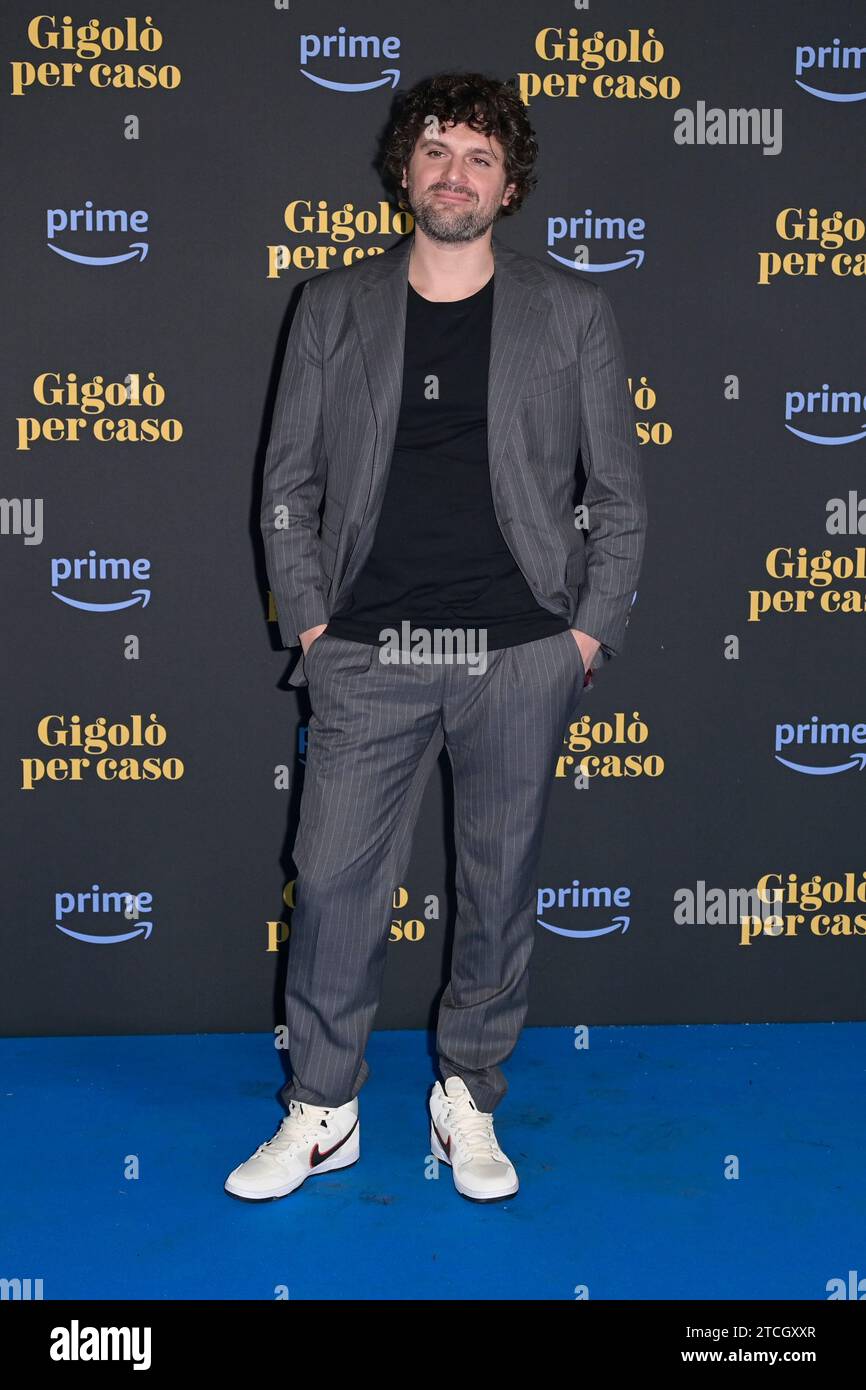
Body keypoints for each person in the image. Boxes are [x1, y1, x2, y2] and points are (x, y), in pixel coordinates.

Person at [225, 72, 647, 1204]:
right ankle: (322, 1106)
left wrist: (586, 635)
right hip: (367, 648)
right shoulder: (333, 305)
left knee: (498, 885)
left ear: (507, 187)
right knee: (330, 883)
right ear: (403, 170)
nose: (452, 172)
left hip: (518, 649)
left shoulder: (570, 312)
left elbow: (617, 491)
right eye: (434, 151)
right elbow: (287, 487)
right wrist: (314, 622)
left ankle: (468, 1091)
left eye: (477, 157)